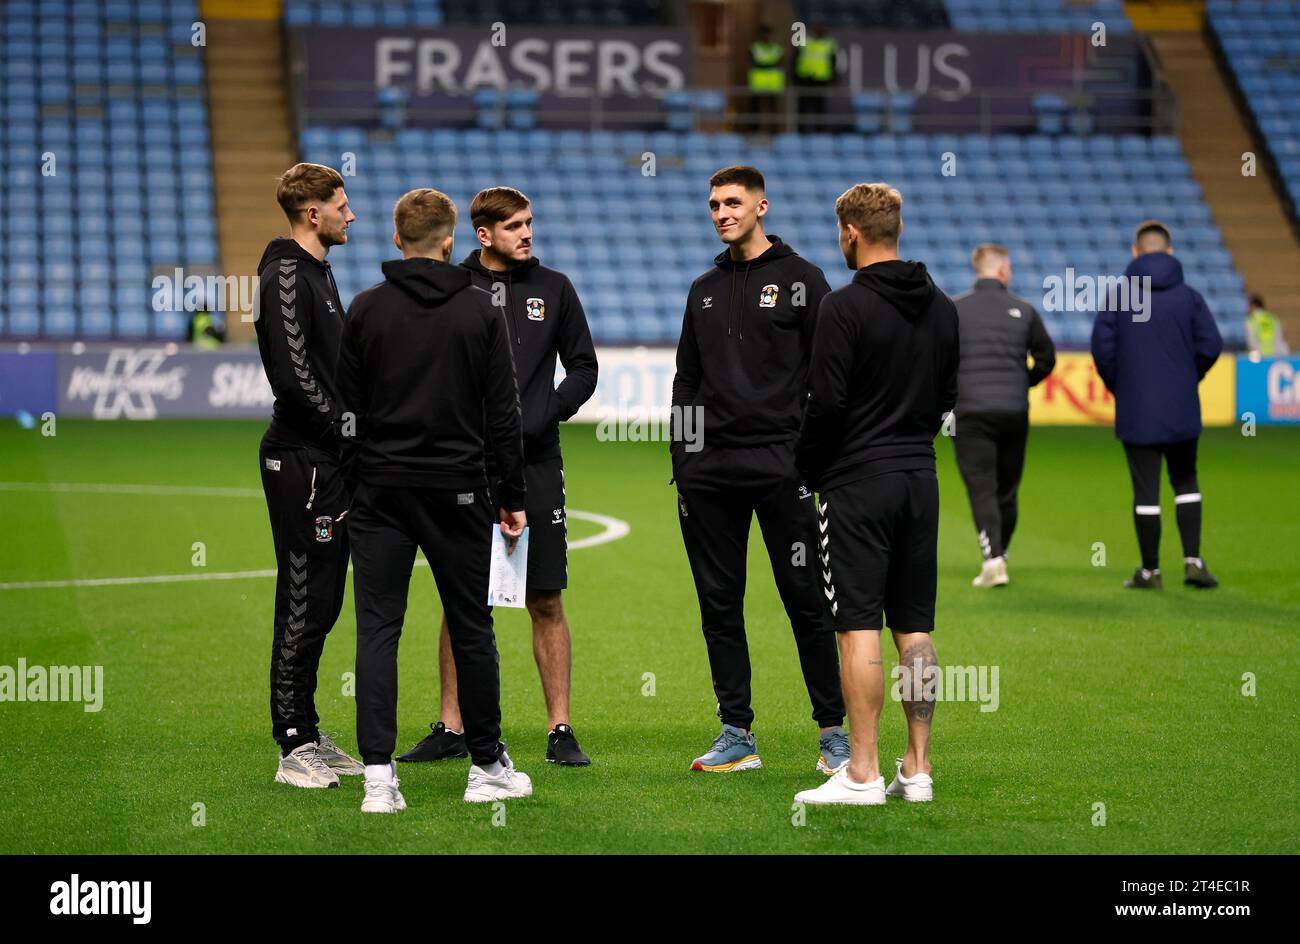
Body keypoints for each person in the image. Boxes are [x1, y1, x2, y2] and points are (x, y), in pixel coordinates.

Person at [336, 188, 533, 812]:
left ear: (397, 239)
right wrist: (512, 495)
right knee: (473, 629)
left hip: (381, 494)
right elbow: (505, 415)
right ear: (450, 243)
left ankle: (377, 780)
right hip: (459, 492)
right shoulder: (480, 313)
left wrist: (353, 485)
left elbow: (347, 412)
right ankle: (485, 768)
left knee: (377, 630)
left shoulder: (366, 310)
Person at [396, 186, 598, 767]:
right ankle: (452, 726)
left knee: (545, 599)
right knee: (462, 600)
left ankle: (559, 728)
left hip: (535, 464)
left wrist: (539, 416)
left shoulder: (554, 289)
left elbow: (583, 368)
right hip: (465, 466)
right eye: (514, 226)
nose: (527, 233)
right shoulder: (453, 288)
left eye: (530, 223)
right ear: (483, 235)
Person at [672, 165, 849, 776]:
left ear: (761, 206)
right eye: (714, 204)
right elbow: (686, 383)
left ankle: (833, 735)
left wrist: (811, 457)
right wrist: (686, 464)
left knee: (805, 601)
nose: (722, 213)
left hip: (784, 470)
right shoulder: (702, 289)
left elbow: (831, 378)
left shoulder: (804, 281)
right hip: (711, 475)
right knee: (720, 604)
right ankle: (736, 732)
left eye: (733, 203)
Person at [793, 182, 959, 806]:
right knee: (914, 626)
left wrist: (805, 467)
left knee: (856, 623)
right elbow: (947, 396)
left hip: (859, 483)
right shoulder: (942, 306)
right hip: (921, 479)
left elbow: (826, 403)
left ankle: (861, 772)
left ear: (851, 233)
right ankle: (917, 767)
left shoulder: (843, 307)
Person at [254, 162, 363, 788]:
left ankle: (308, 729)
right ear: (312, 213)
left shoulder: (317, 271)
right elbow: (294, 381)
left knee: (323, 600)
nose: (351, 214)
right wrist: (352, 433)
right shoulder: (285, 275)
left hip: (327, 461)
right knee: (302, 598)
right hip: (302, 460)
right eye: (342, 205)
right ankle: (291, 743)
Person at [1091, 220, 1223, 590]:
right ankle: (1193, 563)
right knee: (1186, 481)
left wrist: (1124, 386)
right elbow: (1211, 345)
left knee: (1145, 488)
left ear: (1135, 252)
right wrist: (1187, 378)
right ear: (1170, 251)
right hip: (1181, 405)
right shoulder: (1190, 297)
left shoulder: (1120, 295)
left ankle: (1150, 571)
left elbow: (1102, 350)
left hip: (1137, 408)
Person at [951, 244, 1056, 588]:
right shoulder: (1023, 310)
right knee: (1007, 491)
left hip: (971, 413)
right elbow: (1046, 358)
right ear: (1001, 271)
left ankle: (993, 559)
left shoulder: (955, 309)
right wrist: (1022, 382)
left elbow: (939, 358)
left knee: (981, 489)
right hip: (1014, 411)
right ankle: (1000, 554)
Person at [795, 20, 837, 133]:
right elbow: (795, 59)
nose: (819, 30)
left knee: (820, 107)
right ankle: (801, 131)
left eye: (821, 28)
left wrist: (833, 77)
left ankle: (820, 132)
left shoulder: (830, 43)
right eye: (817, 28)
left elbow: (833, 62)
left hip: (821, 79)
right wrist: (796, 77)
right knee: (803, 107)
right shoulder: (805, 41)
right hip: (805, 78)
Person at [748, 24, 786, 134]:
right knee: (756, 108)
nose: (766, 37)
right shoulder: (754, 48)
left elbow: (779, 63)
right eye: (764, 34)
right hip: (758, 83)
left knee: (773, 108)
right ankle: (755, 130)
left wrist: (763, 64)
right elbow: (752, 63)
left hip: (773, 83)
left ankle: (774, 131)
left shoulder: (777, 49)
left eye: (768, 34)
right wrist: (769, 65)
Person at [1245, 293, 1289, 358]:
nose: (1247, 309)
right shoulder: (1272, 318)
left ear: (1253, 306)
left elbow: (1251, 342)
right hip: (1275, 354)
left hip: (1258, 356)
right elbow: (1279, 337)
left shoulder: (1251, 320)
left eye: (1248, 306)